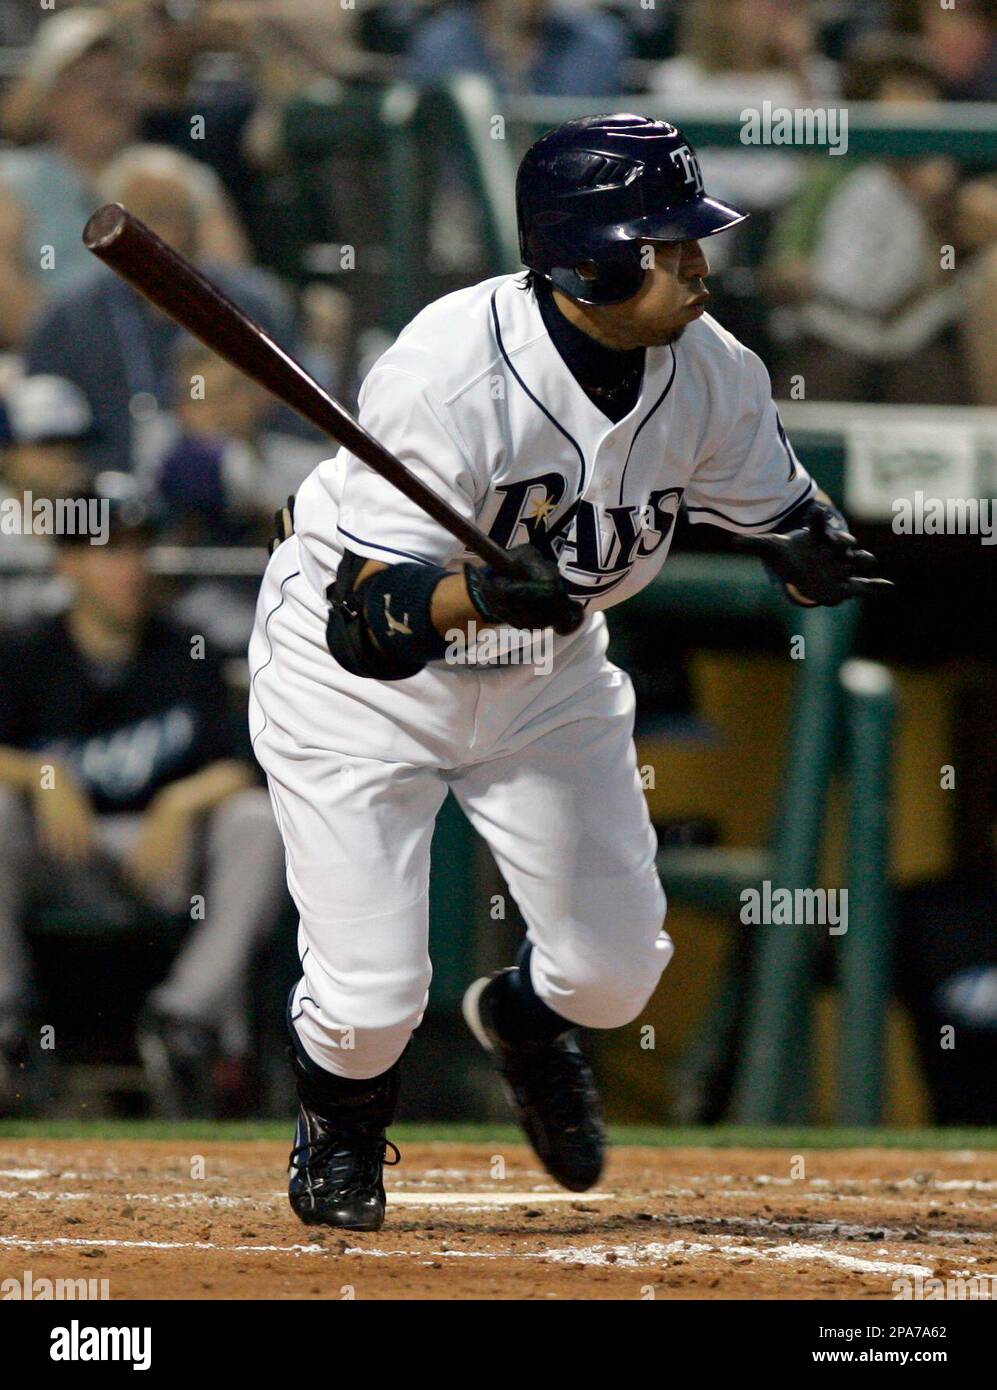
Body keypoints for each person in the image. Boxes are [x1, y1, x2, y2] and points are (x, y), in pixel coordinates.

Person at [249, 114, 889, 1231]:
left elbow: (783, 508)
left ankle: (525, 1021)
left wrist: (807, 550)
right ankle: (341, 1132)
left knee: (612, 976)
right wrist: (483, 593)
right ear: (585, 261)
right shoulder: (448, 373)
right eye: (667, 244)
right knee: (371, 1000)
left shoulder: (710, 367)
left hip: (546, 682)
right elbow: (368, 627)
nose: (697, 264)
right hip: (355, 692)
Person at [0, 491, 286, 1117]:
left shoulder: (186, 650)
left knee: (257, 821)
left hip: (165, 866)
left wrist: (182, 801)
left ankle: (187, 1023)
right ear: (67, 564)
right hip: (56, 864)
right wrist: (39, 774)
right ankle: (6, 1025)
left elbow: (246, 762)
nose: (128, 568)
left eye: (137, 550)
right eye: (107, 553)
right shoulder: (26, 652)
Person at [23, 144, 292, 477]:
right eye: (149, 216)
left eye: (180, 216)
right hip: (108, 502)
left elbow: (293, 421)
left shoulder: (251, 305)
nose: (166, 233)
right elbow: (41, 435)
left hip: (235, 489)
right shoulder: (69, 318)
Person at [0, 6, 247, 348]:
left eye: (117, 77)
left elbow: (229, 279)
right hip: (60, 364)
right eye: (86, 80)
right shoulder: (13, 181)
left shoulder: (179, 174)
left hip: (179, 359)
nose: (106, 93)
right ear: (49, 98)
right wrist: (82, 350)